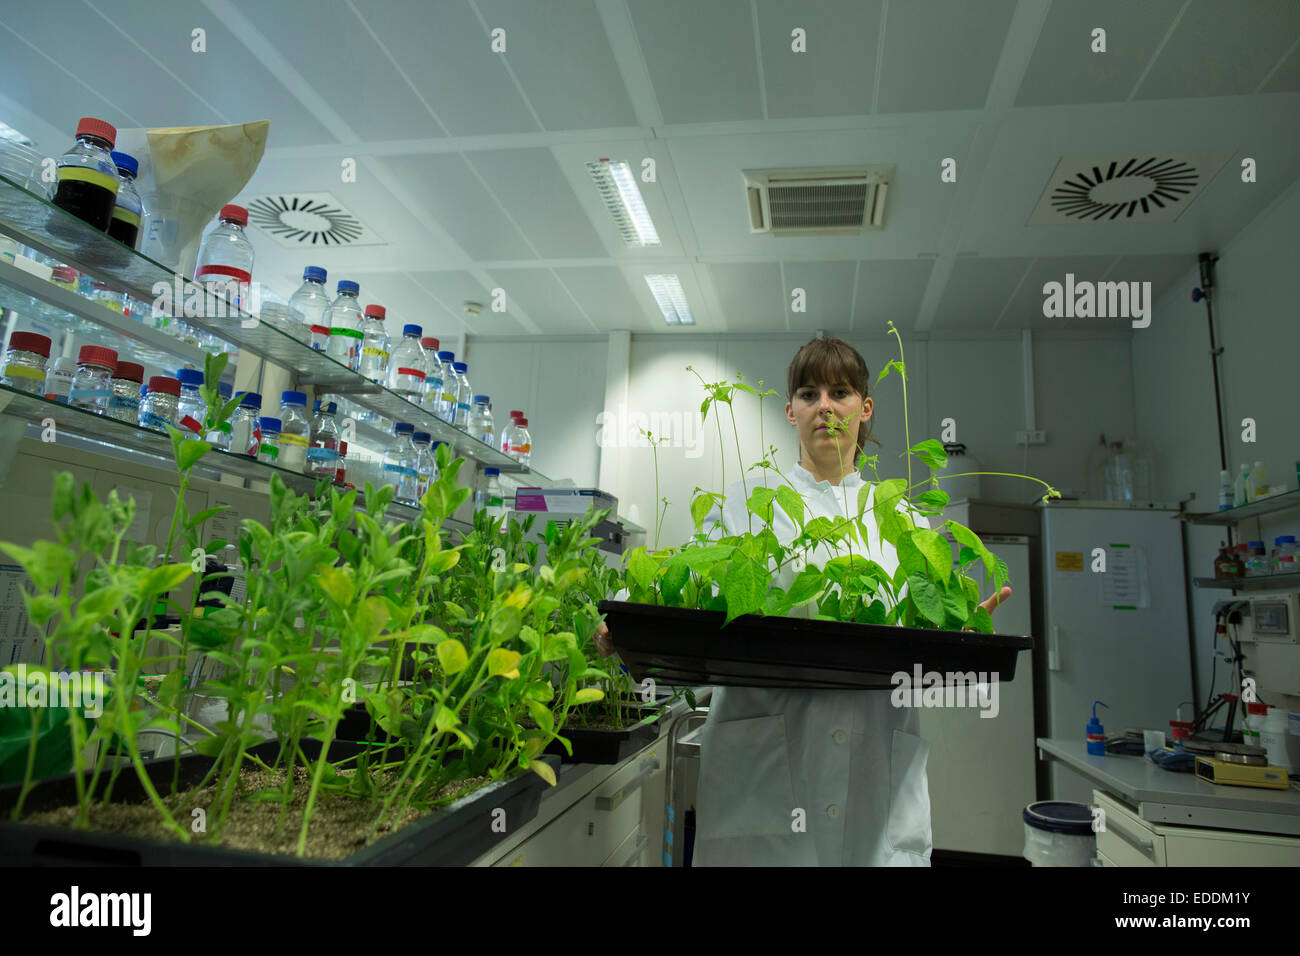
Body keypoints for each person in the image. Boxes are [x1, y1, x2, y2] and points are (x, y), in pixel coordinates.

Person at [594, 336, 1010, 866]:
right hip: (764, 783)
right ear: (790, 411)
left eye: (840, 392)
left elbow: (924, 646)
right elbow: (688, 591)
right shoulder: (749, 508)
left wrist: (961, 635)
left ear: (866, 407)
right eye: (809, 394)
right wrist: (625, 622)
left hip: (875, 784)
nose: (825, 407)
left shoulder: (903, 521)